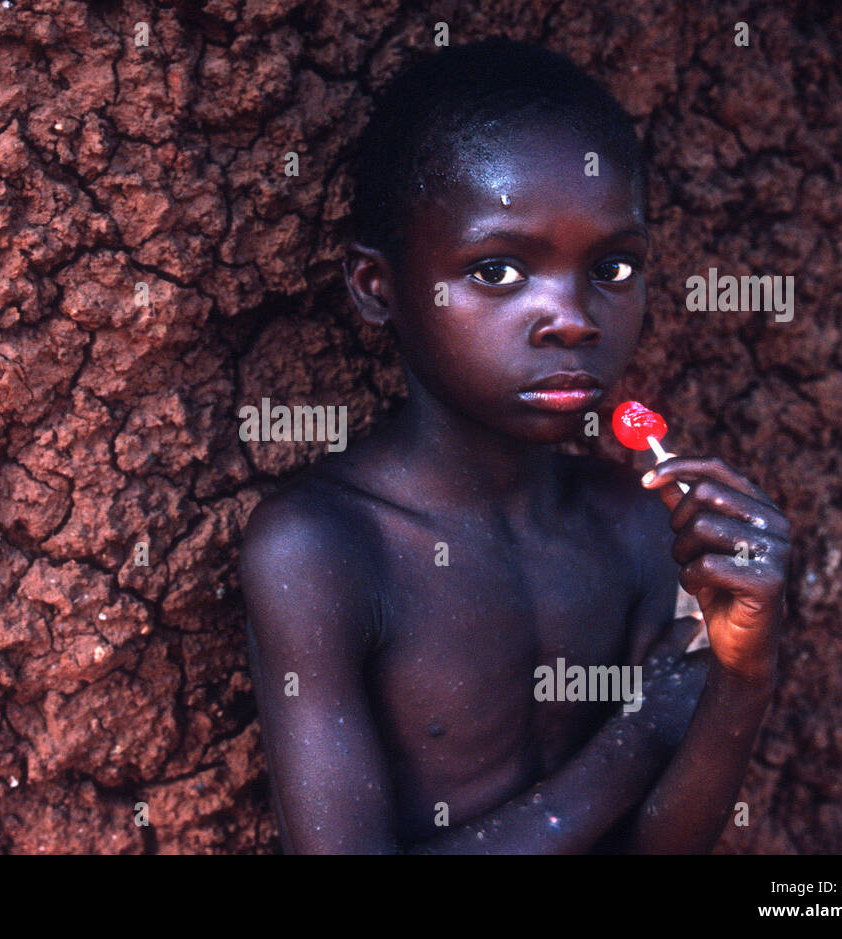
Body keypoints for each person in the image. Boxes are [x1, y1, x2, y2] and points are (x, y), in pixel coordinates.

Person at [238, 37, 791, 853]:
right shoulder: (323, 549)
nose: (573, 316)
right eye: (497, 271)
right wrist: (643, 731)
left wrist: (740, 679)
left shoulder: (641, 527)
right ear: (377, 286)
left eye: (613, 265)